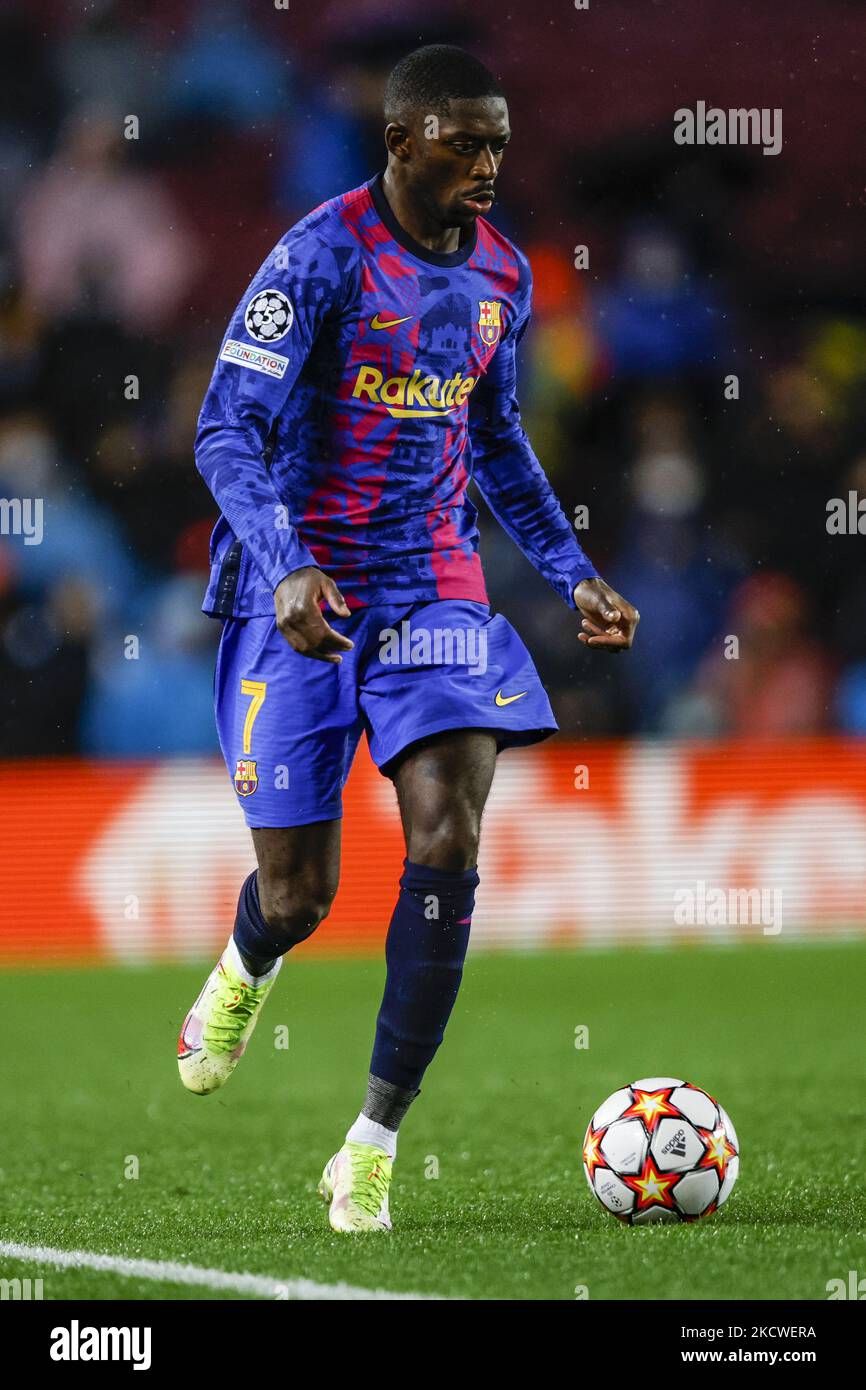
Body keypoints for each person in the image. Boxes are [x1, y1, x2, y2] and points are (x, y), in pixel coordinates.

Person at [178, 44, 639, 1233]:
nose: (486, 163)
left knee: (447, 832)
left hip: (432, 584)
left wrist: (572, 571)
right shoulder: (318, 256)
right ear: (399, 141)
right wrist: (286, 565)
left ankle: (371, 1141)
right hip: (303, 589)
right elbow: (224, 430)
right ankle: (248, 959)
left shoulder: (500, 272)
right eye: (461, 141)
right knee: (301, 892)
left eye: (497, 142)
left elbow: (496, 441)